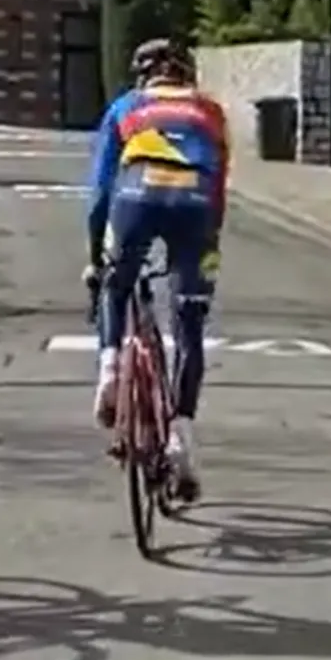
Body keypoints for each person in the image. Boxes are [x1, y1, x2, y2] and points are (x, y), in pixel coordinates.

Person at [83, 37, 229, 500]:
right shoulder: (210, 111)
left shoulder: (126, 106)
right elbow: (220, 186)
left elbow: (100, 192)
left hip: (134, 201)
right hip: (197, 206)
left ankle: (109, 369)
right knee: (189, 323)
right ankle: (181, 431)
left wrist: (94, 256)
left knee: (116, 282)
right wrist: (208, 247)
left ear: (143, 76)